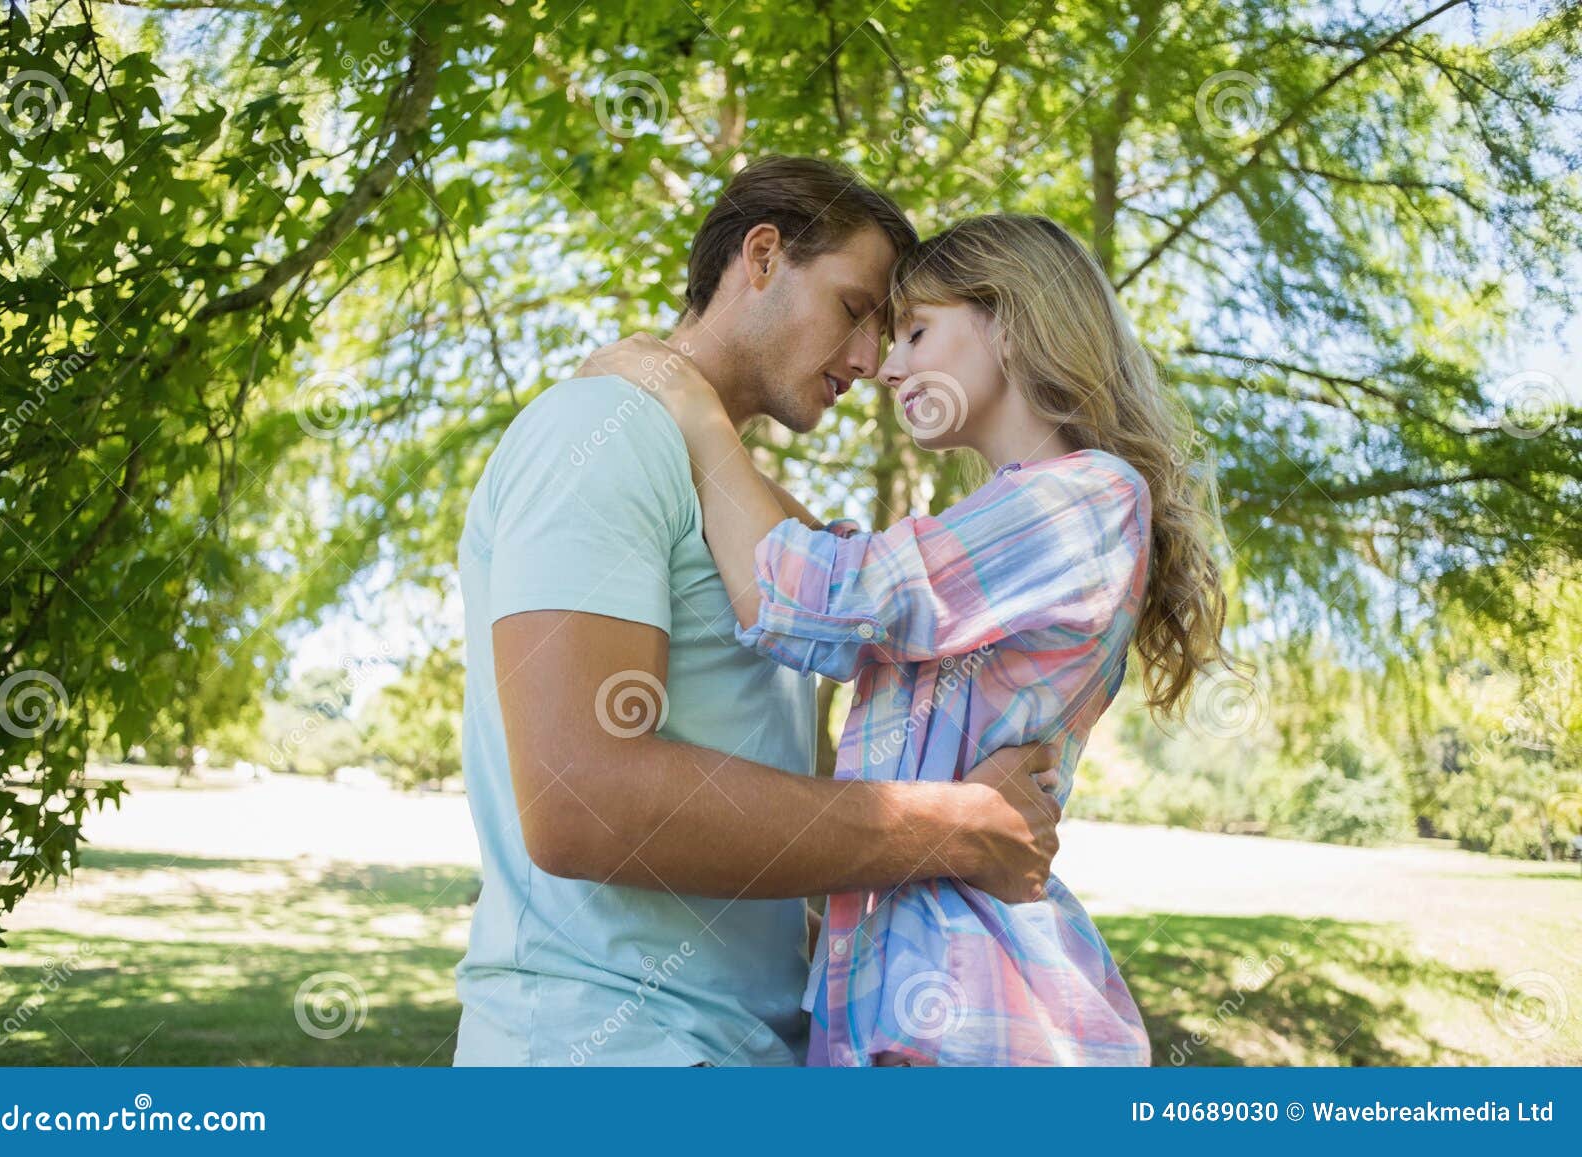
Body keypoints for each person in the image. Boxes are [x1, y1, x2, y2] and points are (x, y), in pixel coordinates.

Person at [452, 158, 1066, 1068]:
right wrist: (955, 828)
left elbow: (850, 617)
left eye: (892, 333)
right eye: (857, 309)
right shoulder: (593, 434)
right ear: (765, 255)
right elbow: (582, 802)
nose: (871, 362)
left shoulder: (742, 511)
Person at [584, 213, 1232, 1066]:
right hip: (898, 997)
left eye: (917, 331)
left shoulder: (1085, 500)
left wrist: (691, 410)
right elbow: (851, 575)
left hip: (968, 1008)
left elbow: (815, 594)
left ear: (1013, 321)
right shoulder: (1016, 516)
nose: (887, 366)